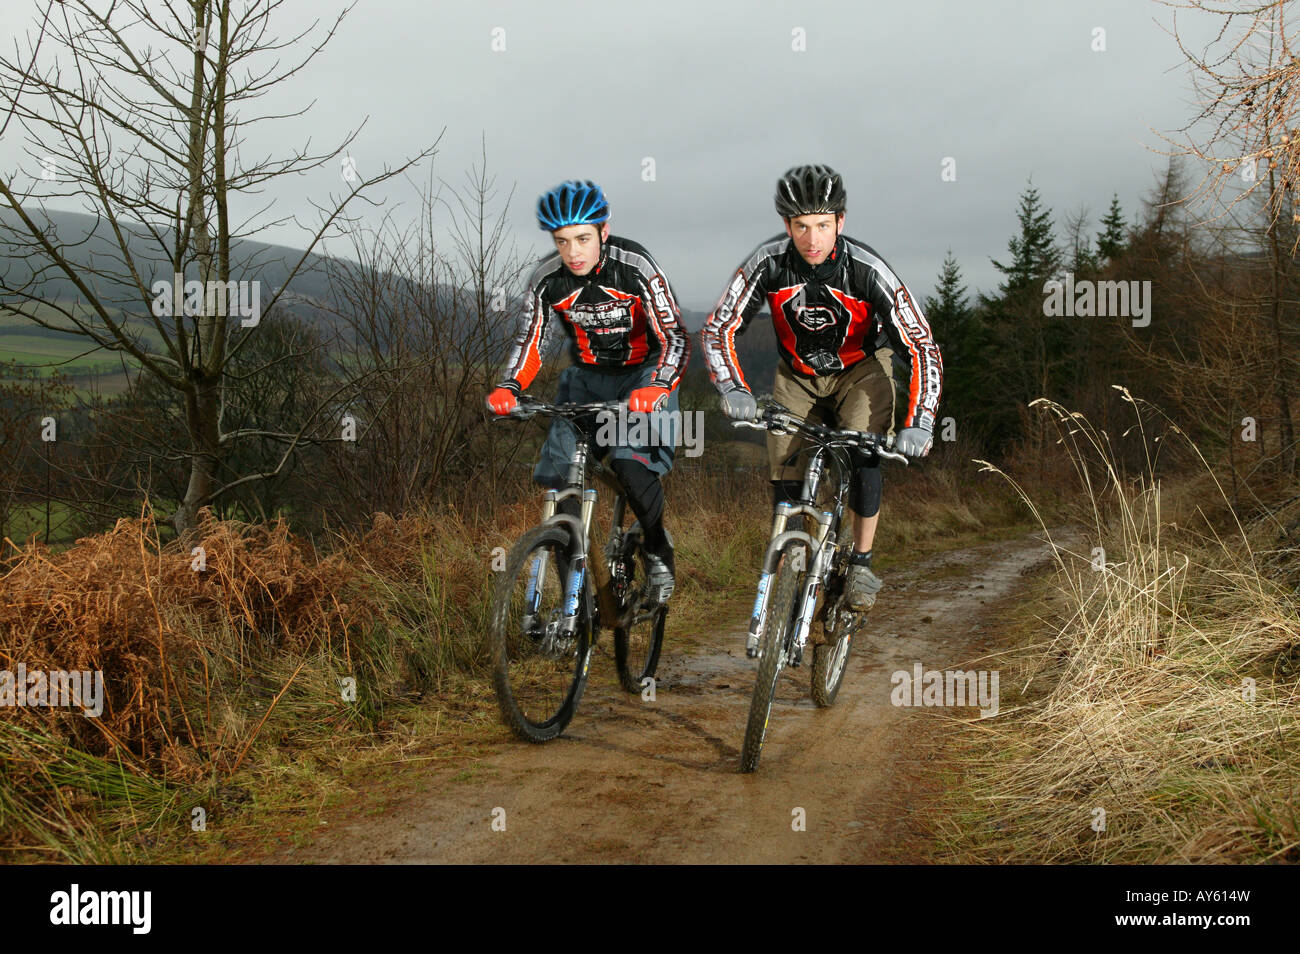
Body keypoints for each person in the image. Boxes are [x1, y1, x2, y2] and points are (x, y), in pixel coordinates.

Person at [700, 164, 943, 611]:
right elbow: (720, 327)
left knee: (865, 452)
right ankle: (793, 571)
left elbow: (920, 344)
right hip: (797, 375)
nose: (812, 239)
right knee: (785, 470)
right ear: (787, 225)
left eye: (823, 226)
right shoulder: (768, 262)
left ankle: (861, 563)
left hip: (861, 370)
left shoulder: (868, 270)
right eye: (802, 226)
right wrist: (733, 387)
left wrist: (922, 421)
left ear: (841, 222)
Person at [486, 179, 690, 603]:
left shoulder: (635, 265)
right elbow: (532, 339)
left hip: (643, 375)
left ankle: (657, 548)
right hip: (586, 379)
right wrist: (510, 385)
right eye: (562, 241)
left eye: (582, 238)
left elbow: (674, 335)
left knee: (630, 464)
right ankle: (574, 606)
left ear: (603, 231)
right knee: (562, 484)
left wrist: (658, 385)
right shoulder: (547, 279)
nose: (573, 252)